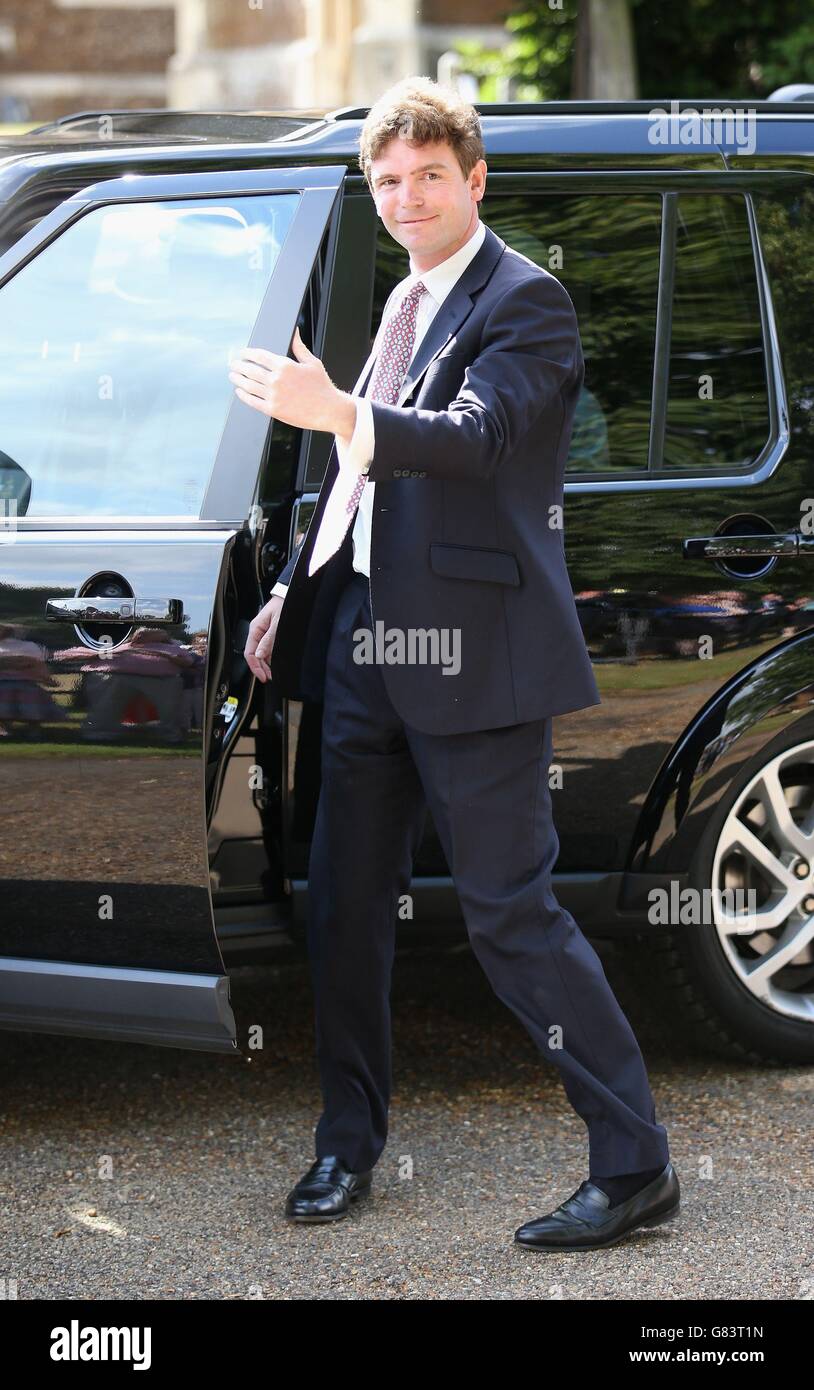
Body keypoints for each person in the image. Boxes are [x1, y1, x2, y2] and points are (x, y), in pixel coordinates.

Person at [228, 76, 679, 1252]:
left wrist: (333, 413)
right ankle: (346, 1143)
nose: (407, 196)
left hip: (479, 661)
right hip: (366, 646)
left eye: (430, 174)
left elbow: (471, 442)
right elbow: (360, 480)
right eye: (387, 180)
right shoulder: (398, 307)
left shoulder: (525, 300)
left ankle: (636, 1165)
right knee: (343, 909)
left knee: (511, 919)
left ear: (473, 179)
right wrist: (290, 592)